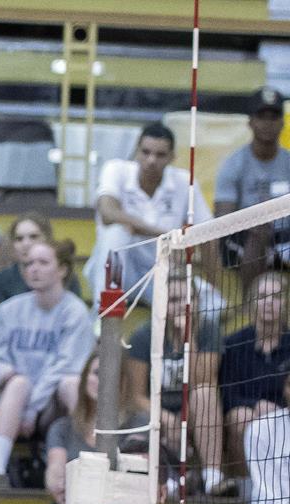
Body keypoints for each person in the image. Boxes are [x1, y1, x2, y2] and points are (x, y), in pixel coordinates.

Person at [0, 238, 93, 488]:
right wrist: (7, 374)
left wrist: (34, 408)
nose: (34, 269)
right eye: (28, 263)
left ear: (62, 269)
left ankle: (89, 464)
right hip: (14, 402)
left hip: (52, 404)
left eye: (43, 262)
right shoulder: (9, 310)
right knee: (18, 382)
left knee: (71, 383)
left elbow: (66, 365)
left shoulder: (75, 313)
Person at [123, 269, 225, 495]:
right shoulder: (144, 335)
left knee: (205, 393)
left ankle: (212, 478)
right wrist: (168, 419)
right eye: (174, 300)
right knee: (145, 418)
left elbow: (204, 380)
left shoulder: (208, 329)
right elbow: (136, 397)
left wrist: (188, 336)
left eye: (188, 299)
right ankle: (166, 481)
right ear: (162, 304)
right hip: (157, 413)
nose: (182, 306)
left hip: (196, 413)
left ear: (197, 301)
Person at [88, 122, 208, 292]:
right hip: (120, 269)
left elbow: (207, 231)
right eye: (146, 152)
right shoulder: (115, 169)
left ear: (172, 157)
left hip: (161, 270)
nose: (151, 160)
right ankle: (108, 309)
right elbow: (108, 213)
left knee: (216, 305)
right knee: (116, 231)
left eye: (160, 155)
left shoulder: (185, 182)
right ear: (136, 150)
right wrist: (164, 235)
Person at [44, 357, 148, 504]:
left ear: (123, 383)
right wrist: (59, 483)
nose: (103, 381)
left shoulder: (138, 423)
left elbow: (132, 475)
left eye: (112, 376)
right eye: (98, 373)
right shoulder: (62, 428)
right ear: (84, 379)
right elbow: (55, 471)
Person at [214, 88, 290, 284]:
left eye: (273, 117)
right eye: (261, 117)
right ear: (250, 121)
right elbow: (223, 217)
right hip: (245, 235)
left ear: (282, 122)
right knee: (255, 235)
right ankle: (251, 305)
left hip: (285, 236)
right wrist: (255, 224)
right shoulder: (233, 164)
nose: (267, 123)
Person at [216, 271, 290, 465]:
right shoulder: (233, 344)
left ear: (285, 304)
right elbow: (227, 395)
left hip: (285, 414)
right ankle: (245, 486)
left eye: (276, 297)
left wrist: (279, 410)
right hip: (248, 413)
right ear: (252, 302)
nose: (269, 302)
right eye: (263, 296)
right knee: (241, 417)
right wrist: (256, 406)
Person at [0, 214, 85, 317]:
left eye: (33, 236)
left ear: (48, 239)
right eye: (19, 239)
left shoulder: (64, 277)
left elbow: (73, 314)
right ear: (12, 245)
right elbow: (0, 326)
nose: (26, 244)